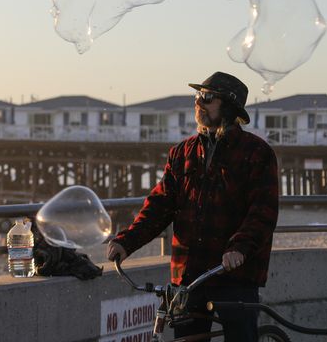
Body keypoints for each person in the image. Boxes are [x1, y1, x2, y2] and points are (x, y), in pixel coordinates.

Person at [107, 72, 279, 342]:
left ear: (229, 107)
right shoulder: (181, 152)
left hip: (234, 273)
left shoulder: (257, 153)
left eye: (208, 97)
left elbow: (263, 211)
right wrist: (126, 242)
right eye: (198, 95)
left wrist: (239, 247)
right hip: (188, 275)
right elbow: (160, 205)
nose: (199, 101)